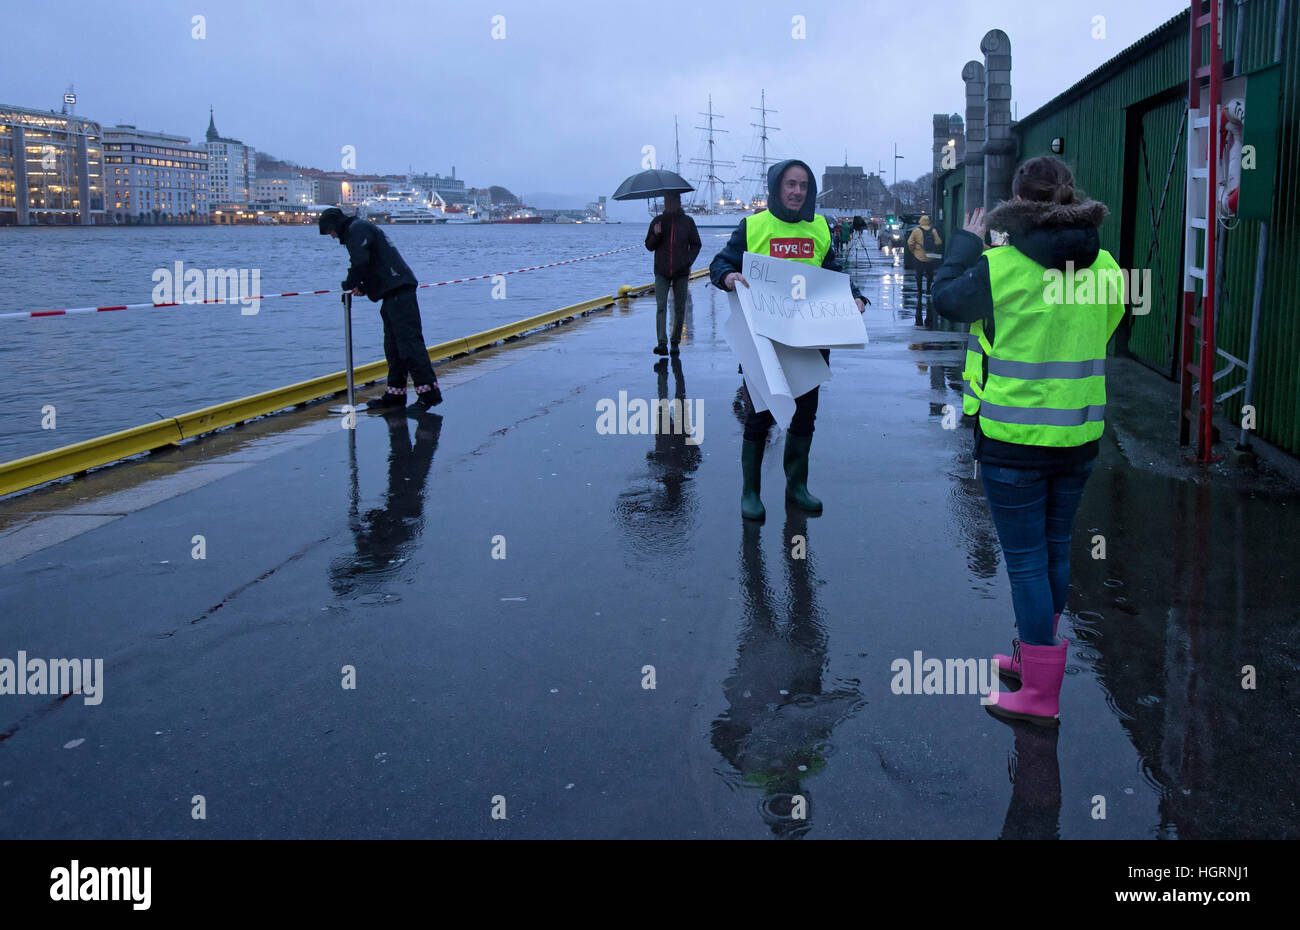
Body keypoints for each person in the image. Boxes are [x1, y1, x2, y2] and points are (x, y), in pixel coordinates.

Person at [932, 156, 1125, 727]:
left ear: (1018, 205)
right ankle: (1033, 655)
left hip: (1014, 443)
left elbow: (946, 299)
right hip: (1078, 442)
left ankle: (1041, 694)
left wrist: (966, 243)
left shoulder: (1000, 268)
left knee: (1024, 564)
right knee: (1054, 553)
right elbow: (1105, 328)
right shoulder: (1109, 268)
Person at [710, 159, 866, 522]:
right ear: (777, 187)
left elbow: (834, 273)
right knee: (759, 417)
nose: (797, 192)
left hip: (809, 341)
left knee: (804, 417)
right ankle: (750, 492)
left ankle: (797, 487)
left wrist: (855, 295)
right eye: (790, 184)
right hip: (763, 343)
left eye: (803, 186)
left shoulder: (820, 229)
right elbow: (720, 263)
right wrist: (729, 276)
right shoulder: (753, 226)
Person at [318, 206, 442, 412]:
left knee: (410, 347)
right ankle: (395, 395)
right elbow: (376, 263)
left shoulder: (357, 230)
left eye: (329, 232)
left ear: (335, 226)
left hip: (399, 292)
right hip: (392, 292)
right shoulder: (360, 229)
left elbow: (360, 261)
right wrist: (365, 287)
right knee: (393, 349)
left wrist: (350, 283)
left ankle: (429, 394)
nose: (331, 237)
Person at [644, 192, 701, 356]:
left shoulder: (688, 222)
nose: (668, 204)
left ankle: (675, 341)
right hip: (661, 271)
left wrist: (687, 261)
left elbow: (696, 244)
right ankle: (662, 342)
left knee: (680, 307)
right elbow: (649, 246)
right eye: (666, 201)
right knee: (661, 306)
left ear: (678, 203)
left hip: (681, 272)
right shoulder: (657, 222)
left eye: (671, 201)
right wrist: (656, 234)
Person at [906, 214, 943, 326]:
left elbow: (909, 242)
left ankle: (919, 291)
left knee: (919, 274)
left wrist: (914, 251)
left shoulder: (916, 230)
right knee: (930, 274)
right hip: (930, 256)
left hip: (919, 256)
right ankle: (928, 290)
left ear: (921, 221)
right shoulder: (933, 230)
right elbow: (938, 242)